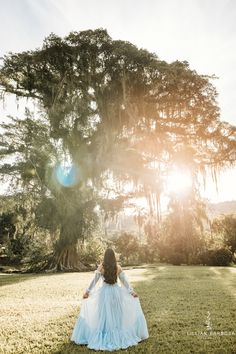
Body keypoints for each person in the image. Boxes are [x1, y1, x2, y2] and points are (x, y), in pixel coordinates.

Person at [70, 248, 149, 351]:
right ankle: (117, 332)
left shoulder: (101, 267)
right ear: (114, 257)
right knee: (116, 313)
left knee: (104, 314)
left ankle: (104, 333)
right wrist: (131, 291)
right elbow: (125, 282)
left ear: (105, 257)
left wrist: (87, 292)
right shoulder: (118, 267)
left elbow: (94, 281)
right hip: (116, 293)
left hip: (105, 293)